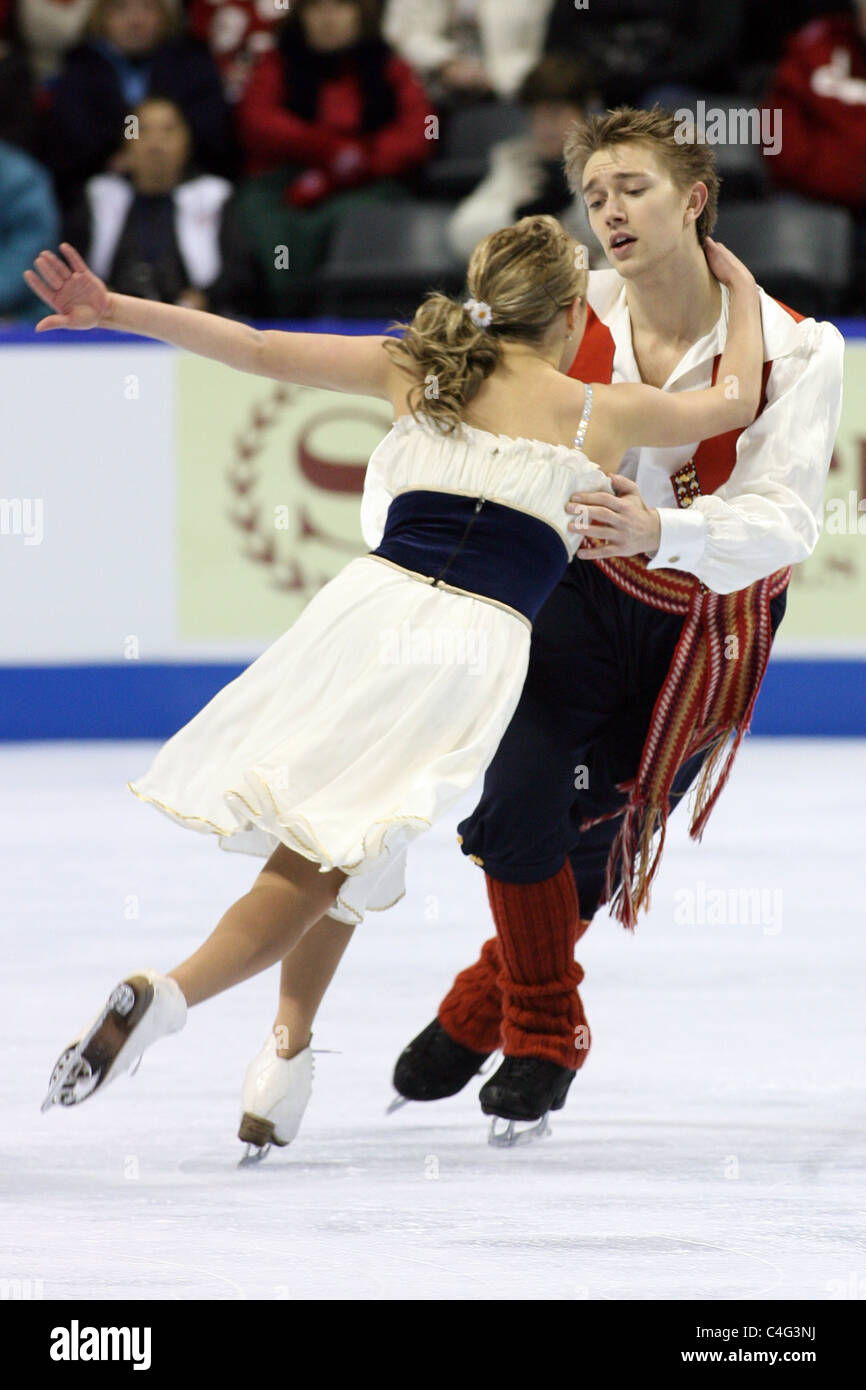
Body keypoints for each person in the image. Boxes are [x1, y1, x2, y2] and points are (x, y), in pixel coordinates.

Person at [26, 215, 764, 1156]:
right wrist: (737, 286)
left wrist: (113, 307)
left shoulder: (417, 369)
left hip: (358, 617)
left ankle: (283, 1062)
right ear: (576, 313)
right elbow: (733, 400)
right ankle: (173, 996)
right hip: (462, 654)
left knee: (342, 837)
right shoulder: (597, 412)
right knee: (324, 857)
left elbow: (252, 347)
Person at [386, 105, 844, 1139]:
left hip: (703, 632)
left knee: (594, 837)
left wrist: (664, 528)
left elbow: (785, 521)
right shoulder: (565, 308)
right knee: (518, 803)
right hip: (576, 597)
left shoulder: (795, 349)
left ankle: (476, 1003)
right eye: (592, 195)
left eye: (630, 188)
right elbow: (459, 369)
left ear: (692, 197)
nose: (608, 211)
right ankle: (547, 1028)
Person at [233, 0, 434, 317]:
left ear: (361, 15)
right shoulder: (276, 63)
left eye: (340, 7)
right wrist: (329, 151)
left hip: (364, 185)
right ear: (302, 16)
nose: (328, 19)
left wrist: (363, 160)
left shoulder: (390, 66)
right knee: (266, 223)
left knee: (356, 220)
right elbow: (255, 120)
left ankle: (341, 317)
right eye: (317, 8)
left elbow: (422, 131)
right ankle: (282, 318)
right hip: (283, 183)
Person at [63, 96, 234, 310]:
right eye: (142, 130)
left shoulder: (214, 197)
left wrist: (207, 298)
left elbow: (238, 272)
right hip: (110, 324)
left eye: (168, 130)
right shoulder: (98, 195)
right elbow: (70, 260)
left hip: (198, 322)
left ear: (187, 140)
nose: (155, 143)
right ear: (126, 142)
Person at [447, 54, 606, 267]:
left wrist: (574, 204)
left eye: (554, 114)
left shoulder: (610, 159)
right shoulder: (519, 161)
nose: (544, 128)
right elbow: (462, 235)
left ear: (586, 112)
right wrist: (520, 215)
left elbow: (625, 233)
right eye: (536, 116)